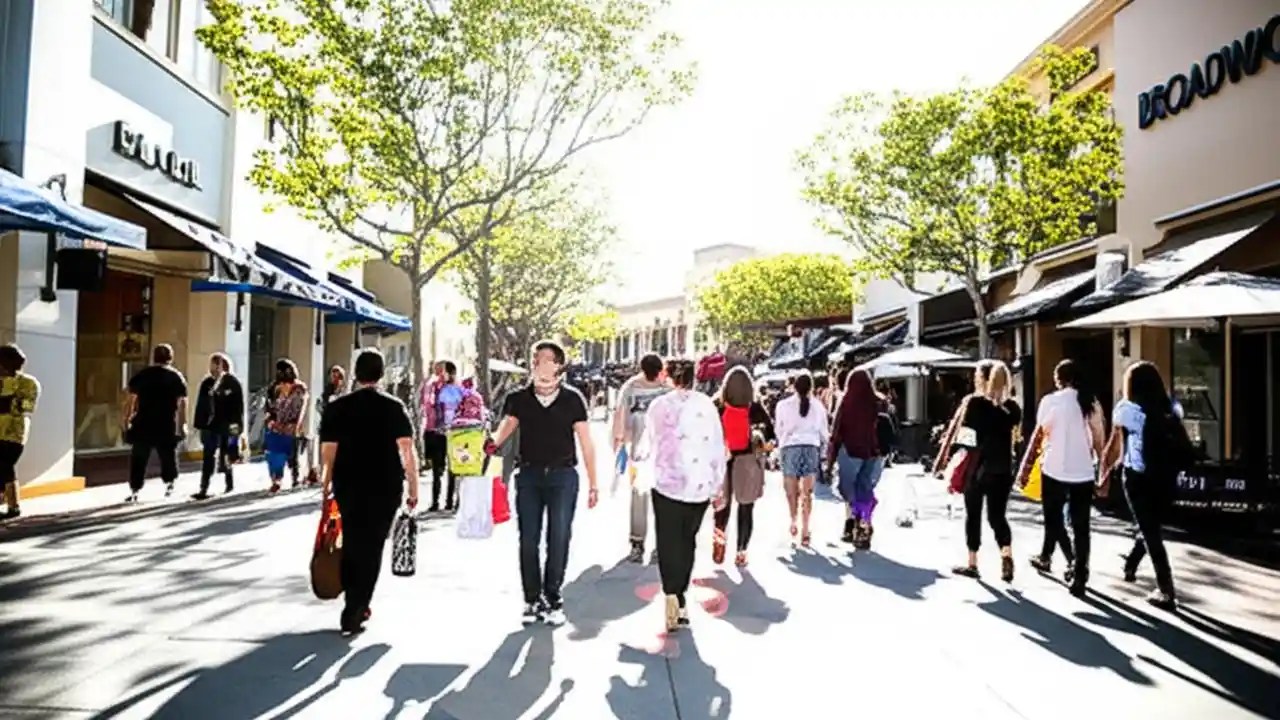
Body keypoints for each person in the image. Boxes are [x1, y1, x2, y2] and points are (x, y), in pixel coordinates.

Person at [491, 340, 599, 627]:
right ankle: (531, 598)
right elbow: (502, 432)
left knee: (559, 536)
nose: (538, 363)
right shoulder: (518, 398)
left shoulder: (573, 399)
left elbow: (586, 444)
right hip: (529, 475)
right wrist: (482, 444)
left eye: (545, 359)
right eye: (535, 358)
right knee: (528, 538)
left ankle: (553, 596)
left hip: (563, 476)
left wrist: (594, 483)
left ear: (559, 365)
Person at [318, 348, 419, 634]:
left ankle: (354, 602)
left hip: (348, 484)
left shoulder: (337, 407)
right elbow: (407, 451)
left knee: (352, 541)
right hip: (385, 486)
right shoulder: (393, 406)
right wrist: (413, 486)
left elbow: (328, 453)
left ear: (355, 373)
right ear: (381, 373)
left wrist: (325, 487)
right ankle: (359, 605)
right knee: (373, 546)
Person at [641, 358, 726, 631]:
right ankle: (681, 597)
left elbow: (649, 442)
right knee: (687, 541)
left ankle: (671, 597)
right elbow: (716, 445)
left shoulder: (658, 406)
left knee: (667, 542)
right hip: (698, 486)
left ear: (669, 376)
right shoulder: (707, 406)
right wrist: (717, 485)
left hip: (666, 483)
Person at [1098, 361, 1192, 610]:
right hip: (1166, 476)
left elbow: (1117, 444)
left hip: (1137, 477)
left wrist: (1104, 472)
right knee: (1151, 525)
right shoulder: (1170, 408)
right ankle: (1131, 563)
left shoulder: (1126, 410)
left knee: (1150, 531)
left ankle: (1166, 589)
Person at [1018, 359, 1104, 597]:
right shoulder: (1091, 402)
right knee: (1081, 526)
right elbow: (1099, 439)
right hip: (1083, 470)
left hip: (1054, 467)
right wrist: (1100, 467)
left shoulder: (1050, 402)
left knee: (1053, 518)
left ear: (1059, 379)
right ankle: (1079, 572)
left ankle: (1070, 559)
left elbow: (1042, 432)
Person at [935, 361, 1021, 581]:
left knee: (973, 515)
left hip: (978, 468)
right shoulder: (1012, 408)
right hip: (1002, 469)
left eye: (976, 375)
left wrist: (951, 458)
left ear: (983, 378)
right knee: (997, 517)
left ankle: (973, 563)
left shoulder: (975, 403)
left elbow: (965, 437)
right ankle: (1006, 556)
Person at [612, 353, 671, 564]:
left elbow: (620, 418)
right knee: (662, 500)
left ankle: (637, 545)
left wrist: (618, 444)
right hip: (662, 456)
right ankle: (659, 547)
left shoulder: (630, 388)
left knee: (639, 498)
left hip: (639, 453)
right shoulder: (666, 390)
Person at [712, 366, 774, 567]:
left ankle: (719, 540)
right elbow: (770, 433)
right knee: (746, 507)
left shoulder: (718, 405)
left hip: (723, 458)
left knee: (723, 505)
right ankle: (741, 551)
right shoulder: (754, 407)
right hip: (747, 460)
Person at [830, 369, 887, 548]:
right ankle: (863, 524)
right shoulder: (879, 401)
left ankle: (855, 521)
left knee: (848, 489)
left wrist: (830, 459)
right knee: (865, 489)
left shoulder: (846, 401)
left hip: (850, 451)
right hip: (872, 452)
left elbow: (837, 430)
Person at [124, 344, 188, 503]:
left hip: (143, 422)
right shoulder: (176, 377)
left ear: (154, 357)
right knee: (168, 455)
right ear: (170, 358)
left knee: (139, 457)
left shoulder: (143, 375)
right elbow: (182, 403)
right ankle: (170, 484)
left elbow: (131, 400)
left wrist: (126, 419)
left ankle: (135, 489)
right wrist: (183, 424)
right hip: (166, 423)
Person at [774, 372, 829, 547]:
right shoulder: (819, 406)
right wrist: (826, 452)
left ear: (793, 386)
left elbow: (779, 430)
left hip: (790, 447)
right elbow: (824, 433)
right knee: (807, 493)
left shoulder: (782, 405)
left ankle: (793, 520)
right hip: (811, 447)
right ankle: (805, 529)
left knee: (791, 492)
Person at [191, 353, 245, 500]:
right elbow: (201, 405)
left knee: (226, 454)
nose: (212, 368)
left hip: (227, 425)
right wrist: (199, 424)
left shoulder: (232, 383)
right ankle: (204, 487)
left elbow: (237, 408)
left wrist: (236, 429)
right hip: (210, 426)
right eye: (212, 364)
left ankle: (229, 482)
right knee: (208, 455)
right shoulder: (207, 383)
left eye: (216, 364)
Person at [0, 343, 40, 519]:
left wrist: (11, 402)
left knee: (5, 465)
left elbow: (28, 406)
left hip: (13, 433)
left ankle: (13, 505)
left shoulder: (28, 383)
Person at [421, 360, 466, 512]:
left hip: (453, 432)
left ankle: (450, 501)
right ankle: (435, 502)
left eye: (441, 370)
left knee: (454, 468)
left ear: (450, 372)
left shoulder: (457, 389)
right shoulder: (431, 388)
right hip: (434, 431)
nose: (438, 374)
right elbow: (426, 405)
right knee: (436, 469)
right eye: (436, 370)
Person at [264, 358, 309, 493]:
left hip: (292, 428)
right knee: (274, 455)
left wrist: (296, 425)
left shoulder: (299, 389)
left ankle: (295, 477)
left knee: (292, 455)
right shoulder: (273, 388)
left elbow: (301, 408)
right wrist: (270, 420)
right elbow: (268, 406)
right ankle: (276, 480)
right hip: (276, 427)